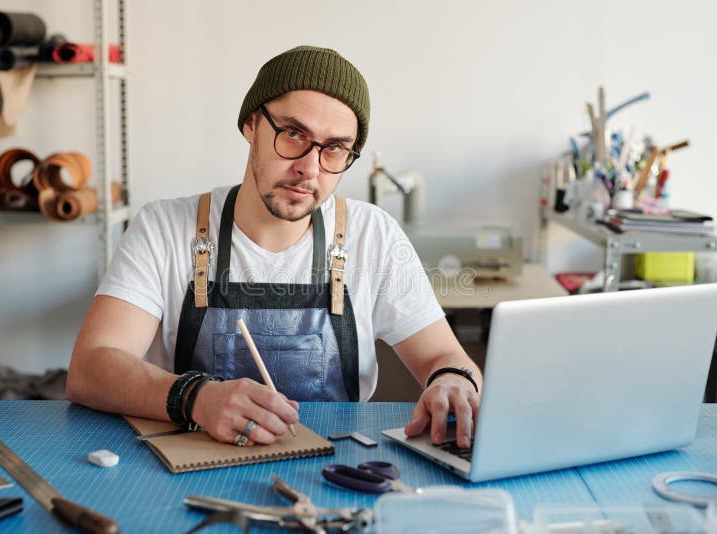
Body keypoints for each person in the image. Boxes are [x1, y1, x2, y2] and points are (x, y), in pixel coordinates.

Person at [66, 45, 481, 450]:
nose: (309, 167)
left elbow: (447, 357)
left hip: (337, 470)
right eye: (293, 133)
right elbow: (90, 369)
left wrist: (452, 381)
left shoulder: (373, 234)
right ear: (251, 125)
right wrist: (196, 398)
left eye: (334, 148)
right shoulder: (166, 228)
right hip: (194, 468)